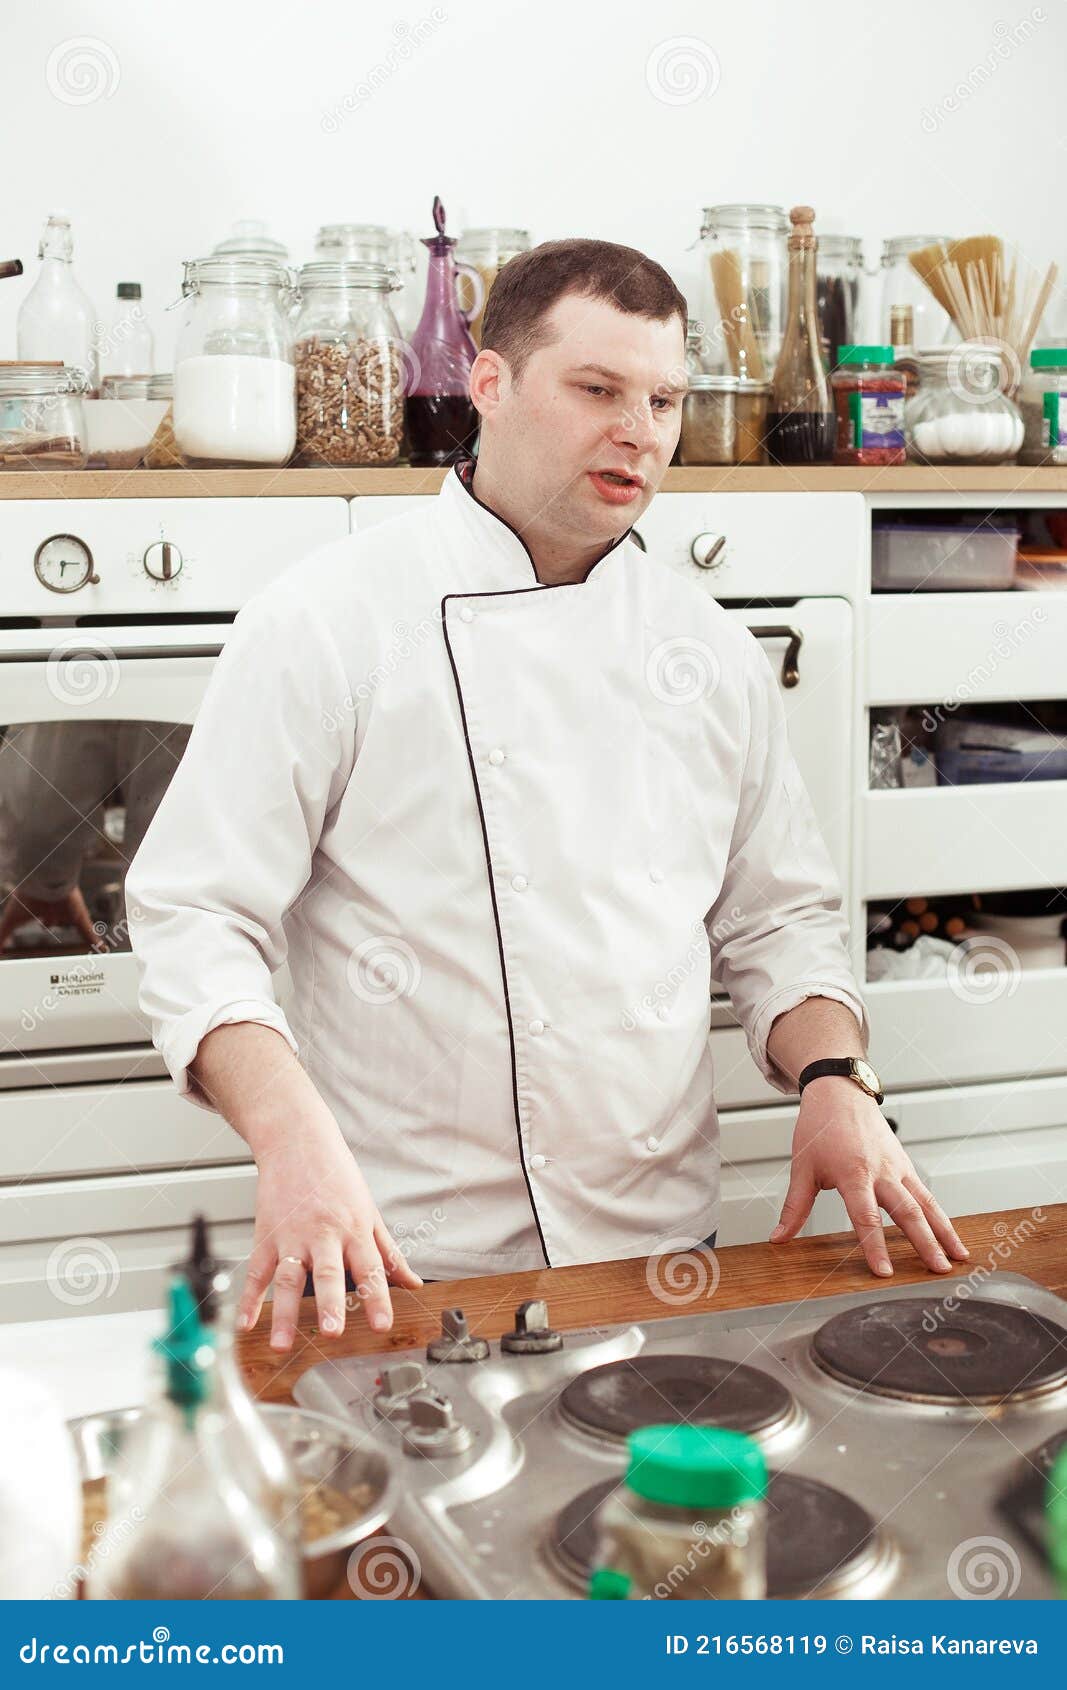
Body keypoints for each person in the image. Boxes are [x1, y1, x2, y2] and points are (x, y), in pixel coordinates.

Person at [126, 239, 968, 1352]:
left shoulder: (705, 651)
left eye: (663, 398)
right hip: (393, 1254)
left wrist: (832, 1076)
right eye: (597, 389)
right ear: (488, 384)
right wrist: (289, 1138)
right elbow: (197, 915)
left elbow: (778, 918)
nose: (641, 429)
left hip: (653, 1261)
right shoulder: (325, 622)